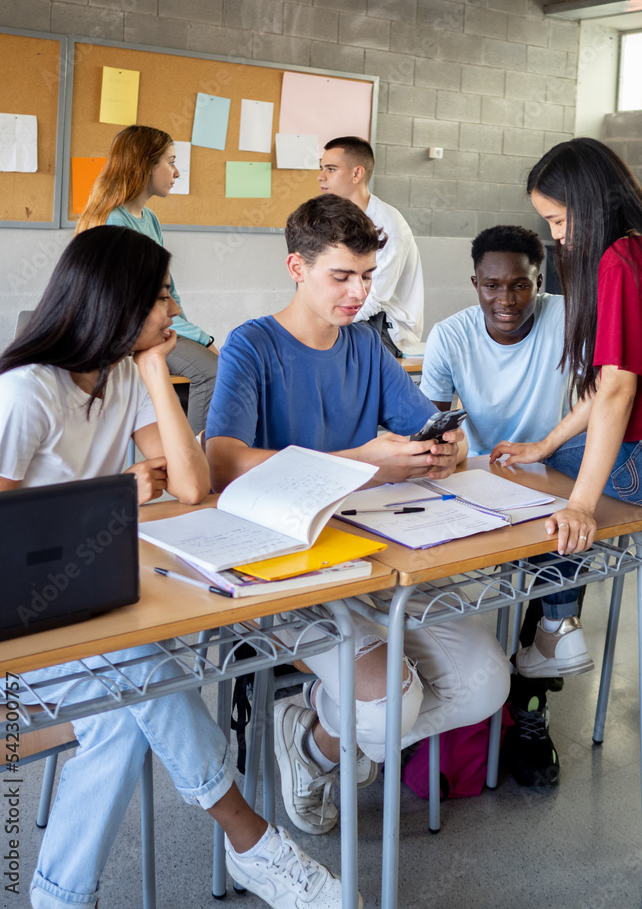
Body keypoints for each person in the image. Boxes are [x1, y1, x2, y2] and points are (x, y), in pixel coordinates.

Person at [0, 226, 354, 909]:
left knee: (122, 714)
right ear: (116, 302)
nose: (174, 309)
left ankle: (60, 898)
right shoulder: (25, 393)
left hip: (90, 603)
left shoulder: (119, 375)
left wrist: (155, 369)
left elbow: (190, 486)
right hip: (17, 622)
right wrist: (106, 499)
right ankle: (253, 843)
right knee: (142, 670)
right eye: (161, 296)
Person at [205, 193, 510, 837]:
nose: (358, 292)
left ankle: (321, 734)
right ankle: (339, 736)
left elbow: (425, 428)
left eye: (368, 276)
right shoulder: (251, 345)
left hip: (369, 553)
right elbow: (224, 463)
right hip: (279, 570)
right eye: (341, 276)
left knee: (487, 683)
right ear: (297, 267)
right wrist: (364, 461)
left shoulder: (366, 347)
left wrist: (444, 448)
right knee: (389, 707)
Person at [490, 137, 642, 868]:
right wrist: (546, 440)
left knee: (558, 479)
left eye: (559, 221)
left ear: (590, 206)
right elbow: (610, 384)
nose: (558, 237)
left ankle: (555, 627)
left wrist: (581, 504)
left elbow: (618, 388)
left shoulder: (621, 259)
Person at [420, 224, 589, 788]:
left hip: (554, 472)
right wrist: (443, 449)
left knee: (566, 529)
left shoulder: (569, 317)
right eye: (492, 285)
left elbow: (605, 395)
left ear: (540, 282)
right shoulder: (451, 335)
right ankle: (517, 663)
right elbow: (425, 423)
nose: (506, 299)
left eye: (521, 285)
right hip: (479, 480)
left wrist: (548, 448)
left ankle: (530, 700)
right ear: (475, 283)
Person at [76, 125, 218, 435]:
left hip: (152, 325)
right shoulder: (114, 220)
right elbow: (136, 301)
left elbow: (168, 290)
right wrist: (202, 339)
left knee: (214, 365)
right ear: (146, 164)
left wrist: (193, 332)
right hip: (124, 333)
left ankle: (190, 450)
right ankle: (201, 457)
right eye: (171, 162)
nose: (176, 172)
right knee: (212, 373)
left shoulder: (149, 219)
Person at [318, 136, 423, 356]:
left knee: (320, 346)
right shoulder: (338, 219)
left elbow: (373, 300)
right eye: (322, 168)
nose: (321, 176)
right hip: (351, 313)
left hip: (384, 327)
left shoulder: (387, 225)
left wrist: (324, 325)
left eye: (331, 169)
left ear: (357, 174)